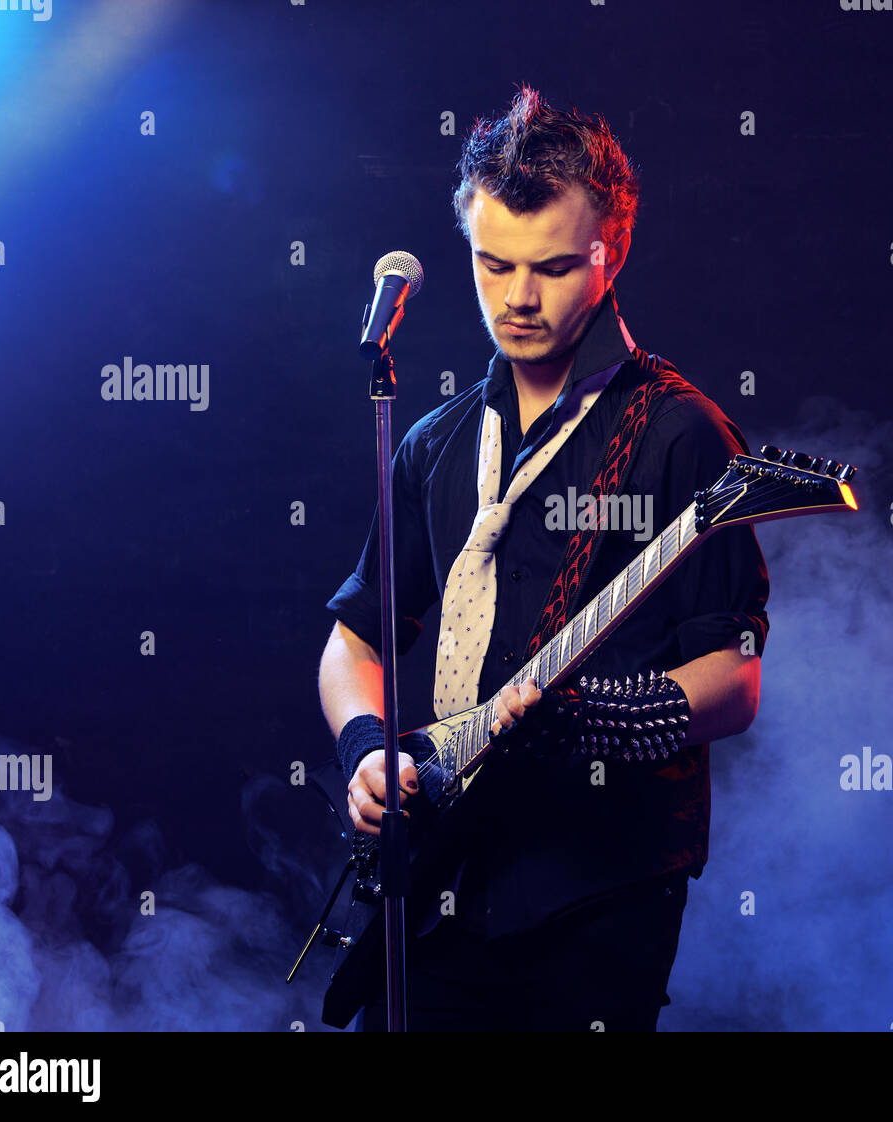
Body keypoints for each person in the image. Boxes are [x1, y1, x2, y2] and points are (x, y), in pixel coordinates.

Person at [317, 82, 769, 1032]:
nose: (519, 298)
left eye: (555, 268)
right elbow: (356, 640)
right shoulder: (433, 442)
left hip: (597, 899)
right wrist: (366, 750)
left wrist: (589, 717)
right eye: (493, 265)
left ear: (612, 255)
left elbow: (734, 680)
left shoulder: (682, 434)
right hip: (437, 885)